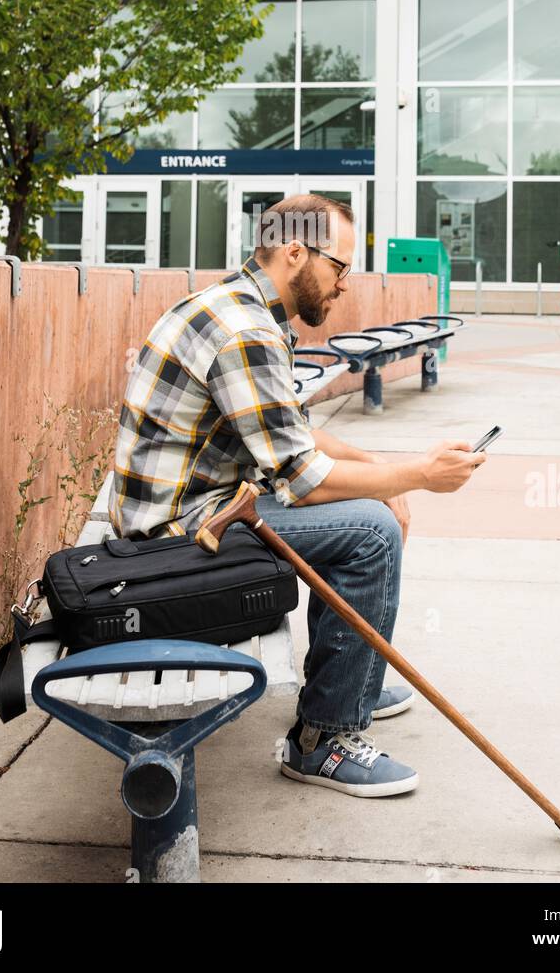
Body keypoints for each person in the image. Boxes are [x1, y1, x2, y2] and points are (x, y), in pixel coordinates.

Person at [109, 194, 485, 798]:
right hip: (172, 542)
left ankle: (348, 684)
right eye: (339, 267)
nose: (344, 286)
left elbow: (294, 432)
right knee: (371, 530)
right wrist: (417, 474)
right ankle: (322, 741)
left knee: (368, 508)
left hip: (205, 510)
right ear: (294, 253)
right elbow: (303, 478)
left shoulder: (244, 307)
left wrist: (383, 466)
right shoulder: (245, 330)